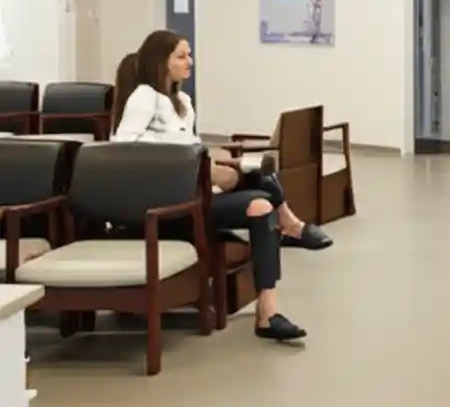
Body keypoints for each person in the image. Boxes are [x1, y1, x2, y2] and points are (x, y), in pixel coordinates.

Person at [111, 30, 329, 340]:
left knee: (260, 183)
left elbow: (191, 148)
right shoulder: (145, 97)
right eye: (182, 56)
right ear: (162, 61)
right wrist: (202, 170)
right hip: (173, 203)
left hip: (198, 192)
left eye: (190, 54)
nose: (190, 62)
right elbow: (123, 152)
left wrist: (214, 166)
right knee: (261, 200)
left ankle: (268, 310)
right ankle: (291, 227)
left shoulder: (183, 102)